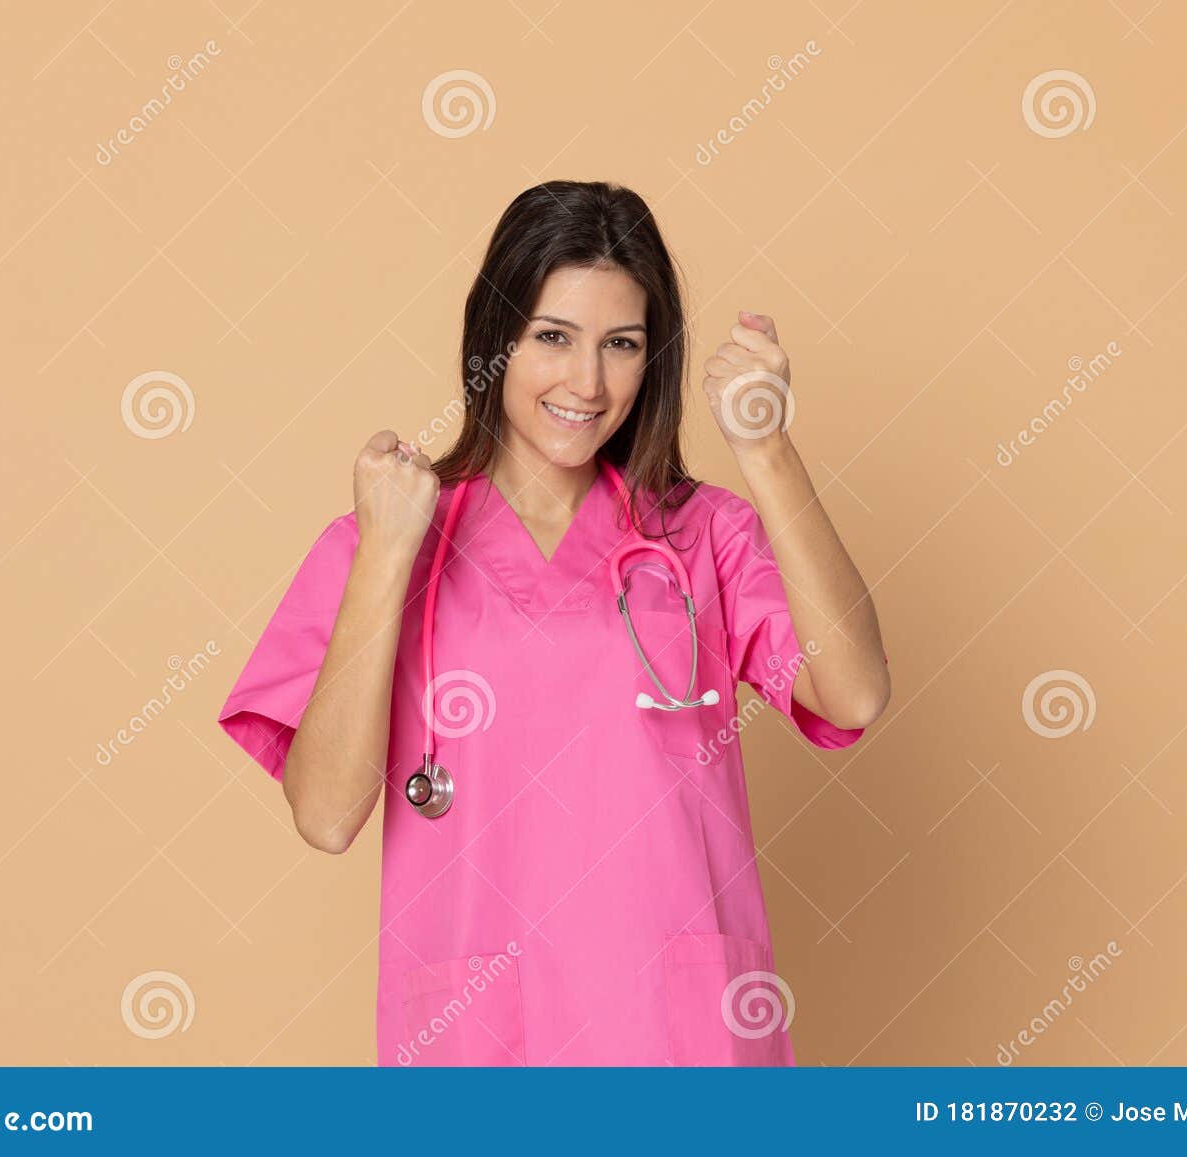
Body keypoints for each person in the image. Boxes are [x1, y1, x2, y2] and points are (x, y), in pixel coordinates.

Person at [218, 180, 890, 1066]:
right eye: (553, 337)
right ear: (494, 338)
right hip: (484, 1043)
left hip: (680, 1040)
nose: (588, 382)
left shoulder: (701, 535)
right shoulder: (382, 540)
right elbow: (326, 814)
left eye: (622, 344)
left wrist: (765, 449)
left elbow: (853, 693)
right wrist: (386, 556)